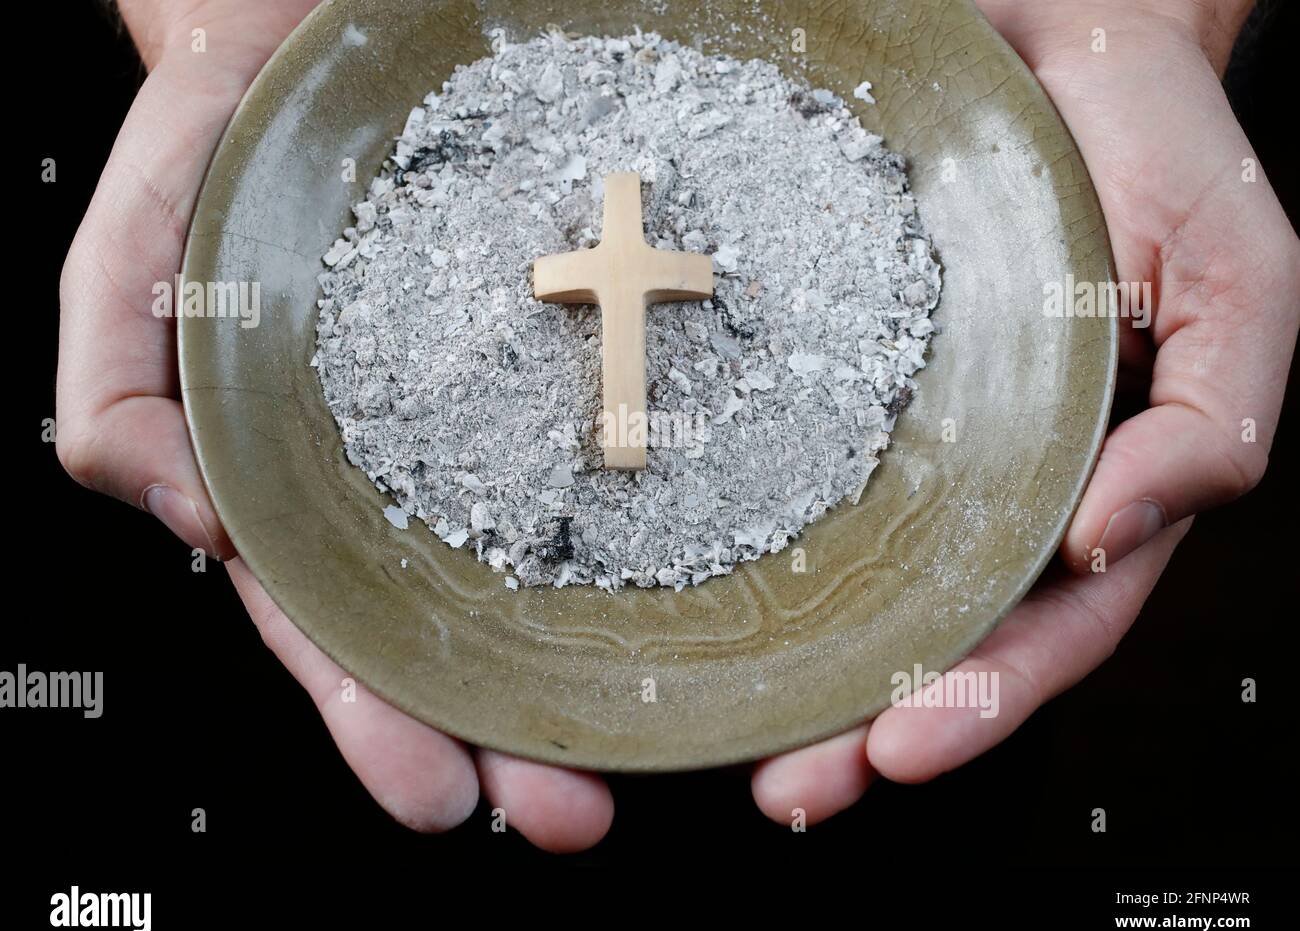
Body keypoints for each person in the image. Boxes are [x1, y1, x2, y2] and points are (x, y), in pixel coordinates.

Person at [56, 0, 1299, 852]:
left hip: (893, 715)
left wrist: (1146, 16)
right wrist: (204, 23)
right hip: (249, 672)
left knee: (928, 774)